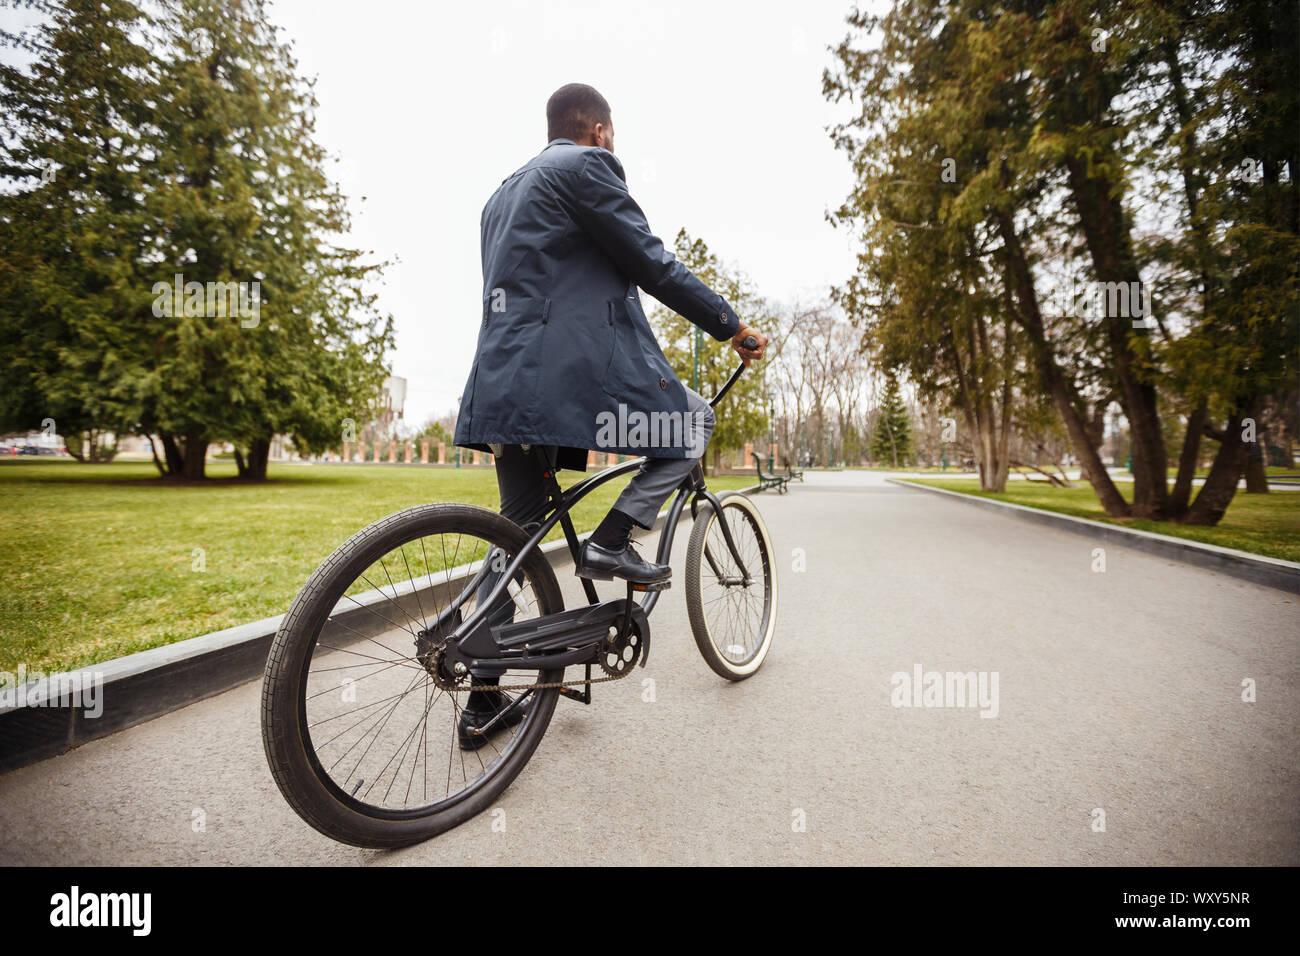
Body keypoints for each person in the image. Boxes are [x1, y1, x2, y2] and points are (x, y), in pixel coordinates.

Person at [451, 83, 767, 745]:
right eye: (613, 133)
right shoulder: (586, 166)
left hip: (504, 381)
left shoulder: (499, 195)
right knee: (692, 422)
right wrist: (730, 325)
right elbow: (652, 263)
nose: (613, 143)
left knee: (517, 532)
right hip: (568, 374)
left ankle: (482, 698)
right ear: (598, 130)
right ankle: (613, 539)